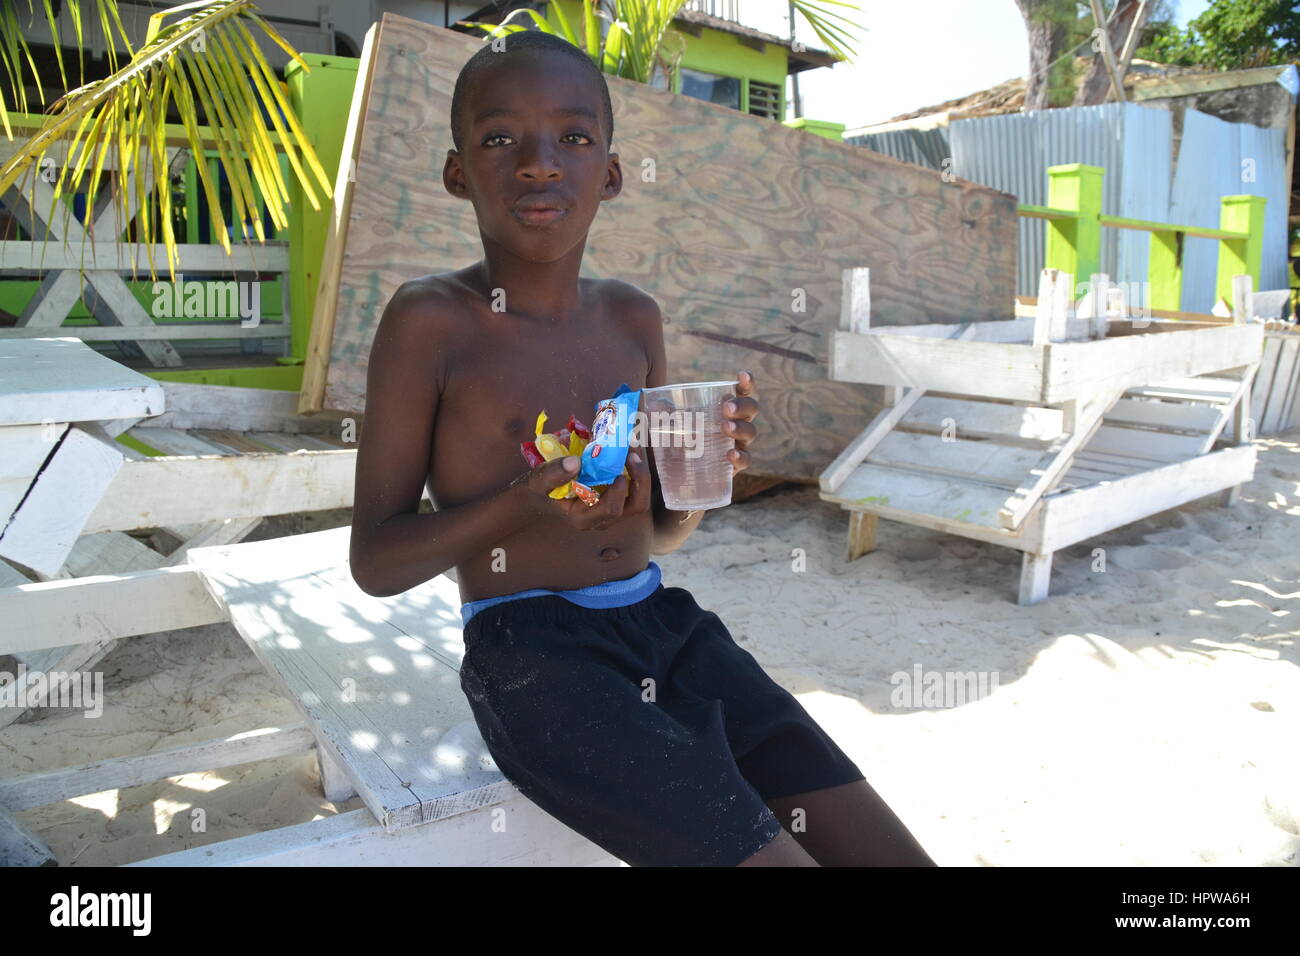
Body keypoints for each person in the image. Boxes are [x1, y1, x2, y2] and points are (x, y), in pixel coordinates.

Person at [349, 29, 935, 868]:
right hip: (534, 658)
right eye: (500, 138)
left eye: (574, 138)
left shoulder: (633, 318)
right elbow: (377, 561)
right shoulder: (430, 322)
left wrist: (703, 476)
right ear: (456, 173)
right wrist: (522, 503)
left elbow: (655, 535)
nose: (540, 163)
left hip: (667, 628)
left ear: (612, 173)